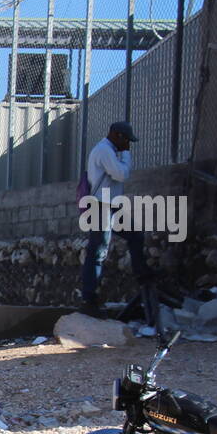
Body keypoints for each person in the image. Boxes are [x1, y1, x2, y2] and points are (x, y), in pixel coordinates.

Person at [78, 121, 155, 318]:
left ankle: (142, 273)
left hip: (111, 206)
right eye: (126, 140)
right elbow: (121, 174)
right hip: (101, 205)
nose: (127, 145)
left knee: (135, 235)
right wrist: (127, 155)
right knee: (98, 250)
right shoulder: (104, 150)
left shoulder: (109, 151)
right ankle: (89, 299)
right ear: (116, 135)